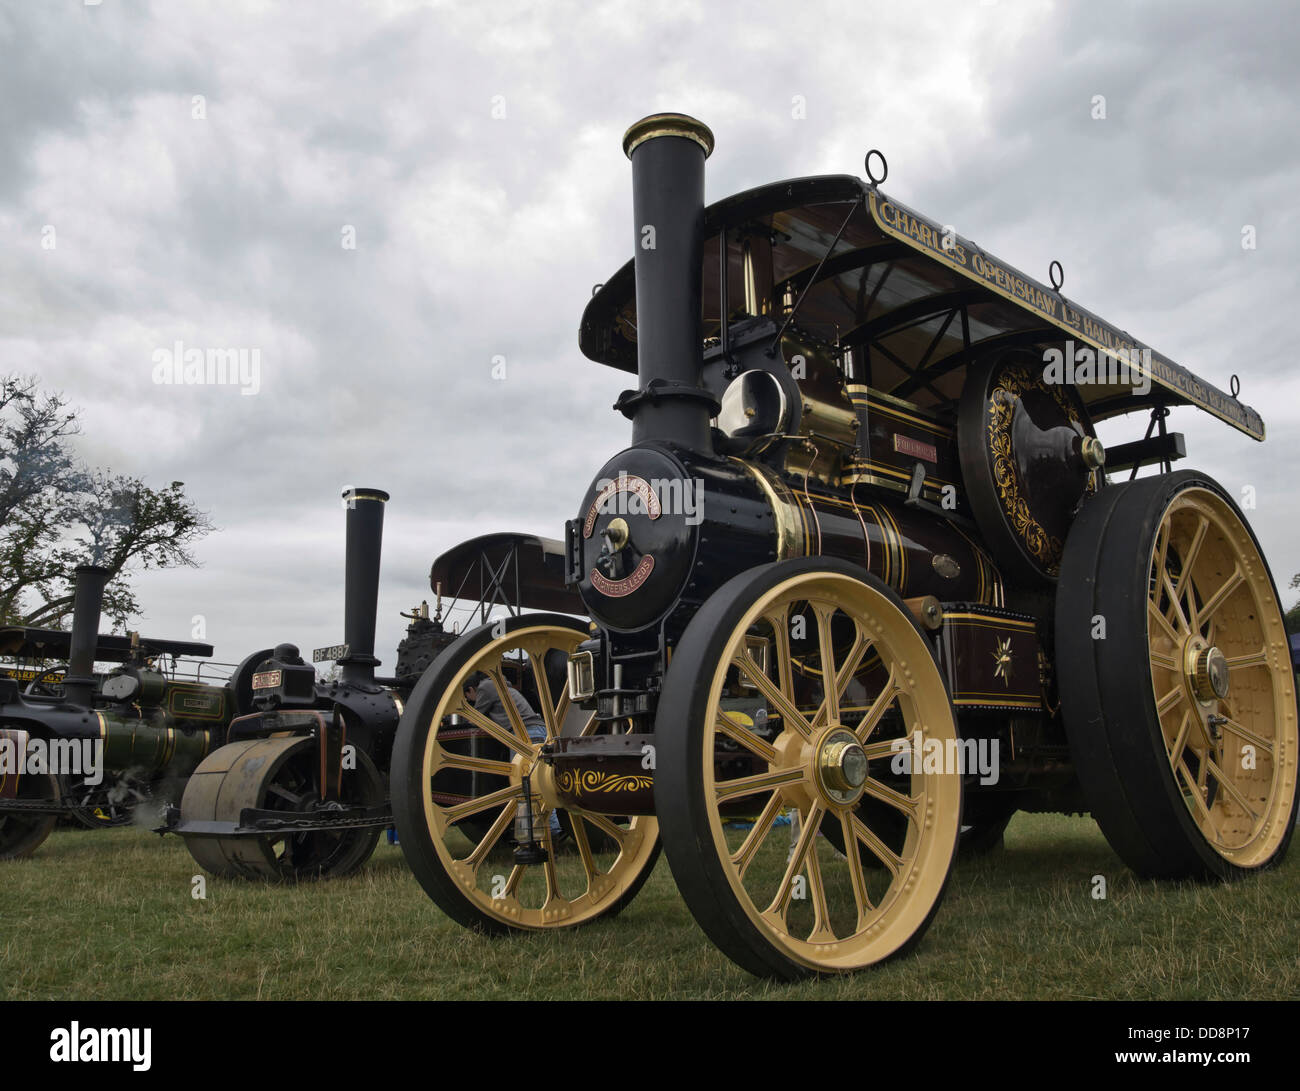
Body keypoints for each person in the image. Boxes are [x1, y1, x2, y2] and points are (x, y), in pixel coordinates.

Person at [463, 671, 562, 838]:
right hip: (536, 730)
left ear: (471, 689)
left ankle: (548, 834)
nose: (471, 700)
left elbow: (475, 718)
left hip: (523, 734)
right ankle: (545, 833)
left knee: (528, 786)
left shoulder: (485, 687)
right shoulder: (500, 686)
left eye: (468, 698)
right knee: (539, 784)